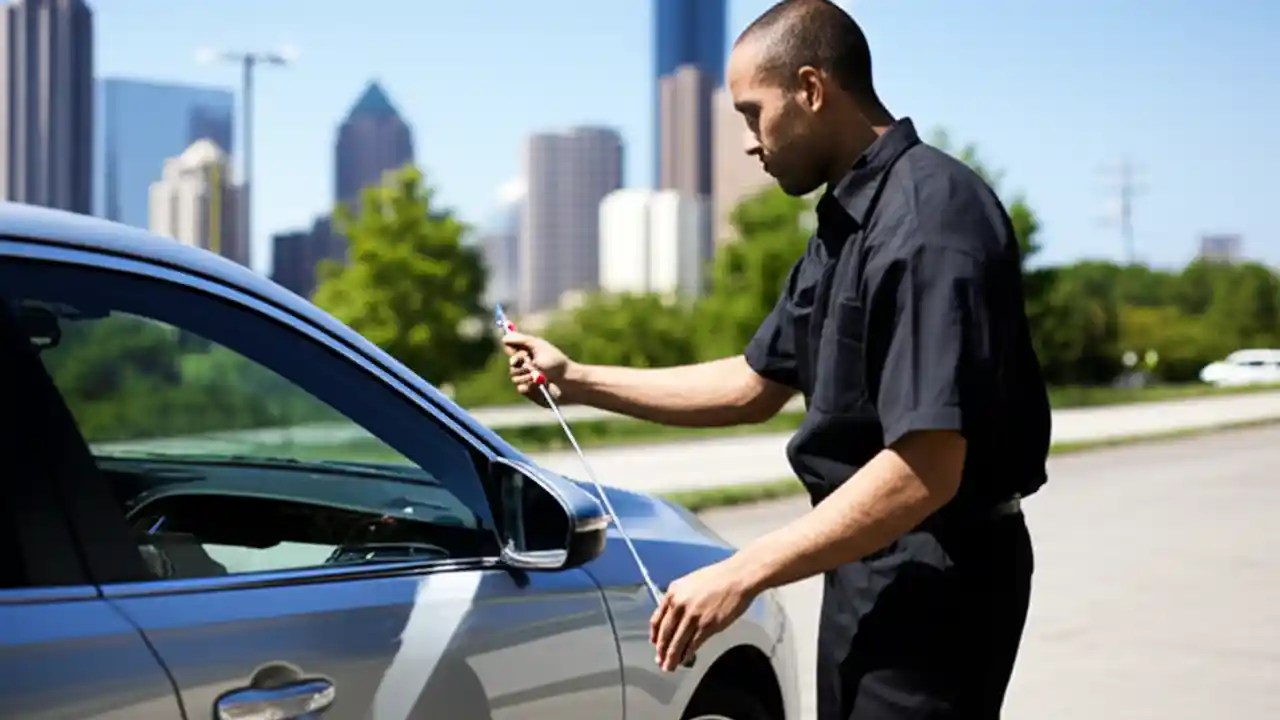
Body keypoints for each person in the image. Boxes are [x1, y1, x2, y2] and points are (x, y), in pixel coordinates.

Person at [503, 0, 1050, 716]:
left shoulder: (927, 219)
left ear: (812, 89)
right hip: (870, 562)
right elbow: (753, 383)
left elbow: (926, 466)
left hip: (937, 571)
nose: (746, 142)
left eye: (751, 112)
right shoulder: (847, 219)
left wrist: (743, 573)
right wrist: (576, 380)